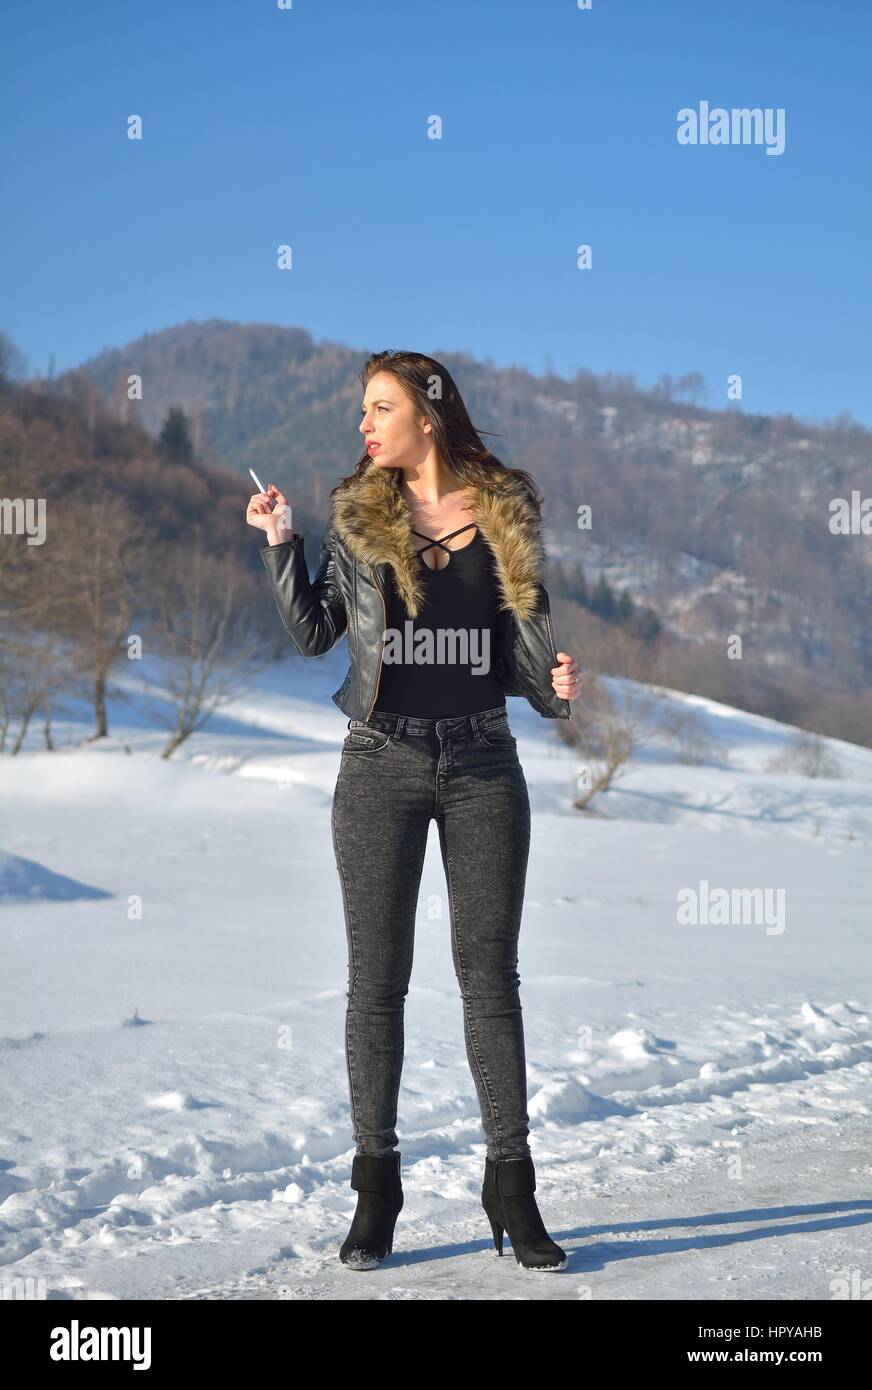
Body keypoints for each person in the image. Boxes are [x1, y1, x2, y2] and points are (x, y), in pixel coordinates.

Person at [247, 350, 582, 1271]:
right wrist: (281, 546)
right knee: (376, 987)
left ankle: (512, 1185)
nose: (365, 423)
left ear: (427, 417)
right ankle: (376, 1191)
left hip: (482, 762)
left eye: (380, 407)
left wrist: (557, 685)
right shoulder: (357, 517)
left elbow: (525, 657)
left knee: (490, 986)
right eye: (363, 409)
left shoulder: (506, 512)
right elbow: (318, 633)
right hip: (379, 762)